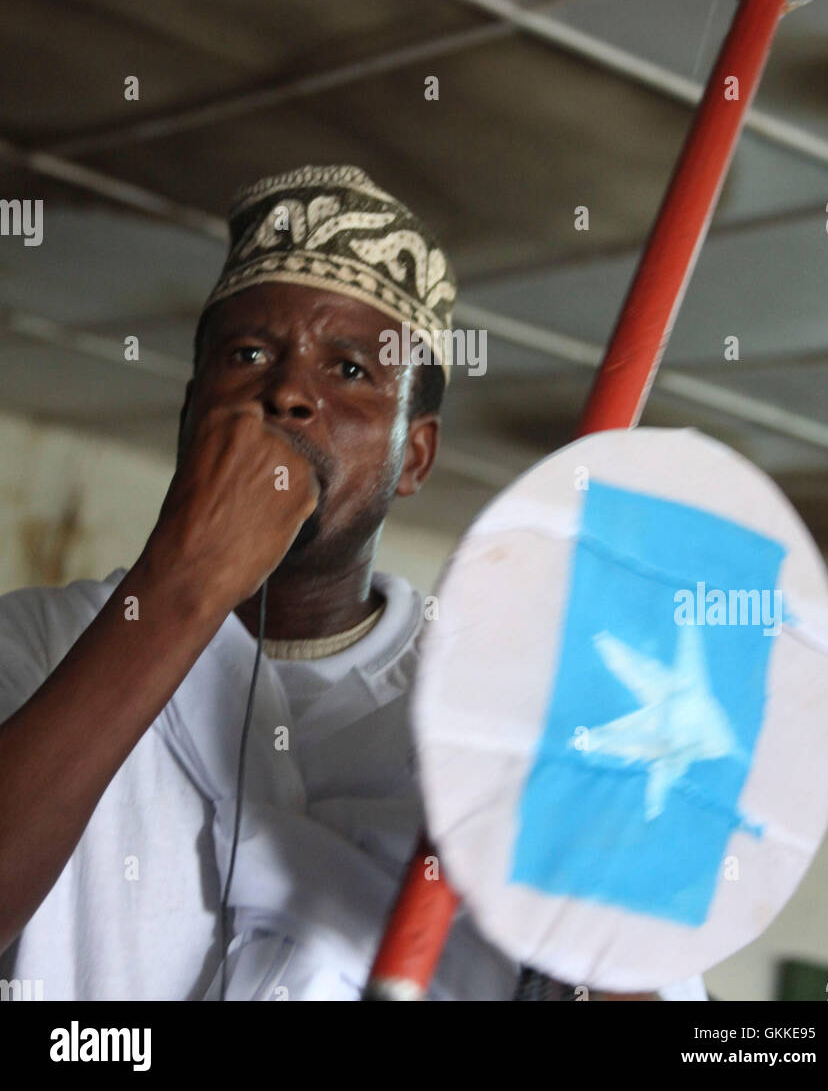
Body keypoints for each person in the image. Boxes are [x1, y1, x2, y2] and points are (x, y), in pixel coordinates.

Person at [0, 165, 705, 1001]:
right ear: (192, 414)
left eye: (350, 371)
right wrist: (185, 582)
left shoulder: (498, 714)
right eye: (250, 354)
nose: (290, 392)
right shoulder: (41, 640)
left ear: (415, 457)